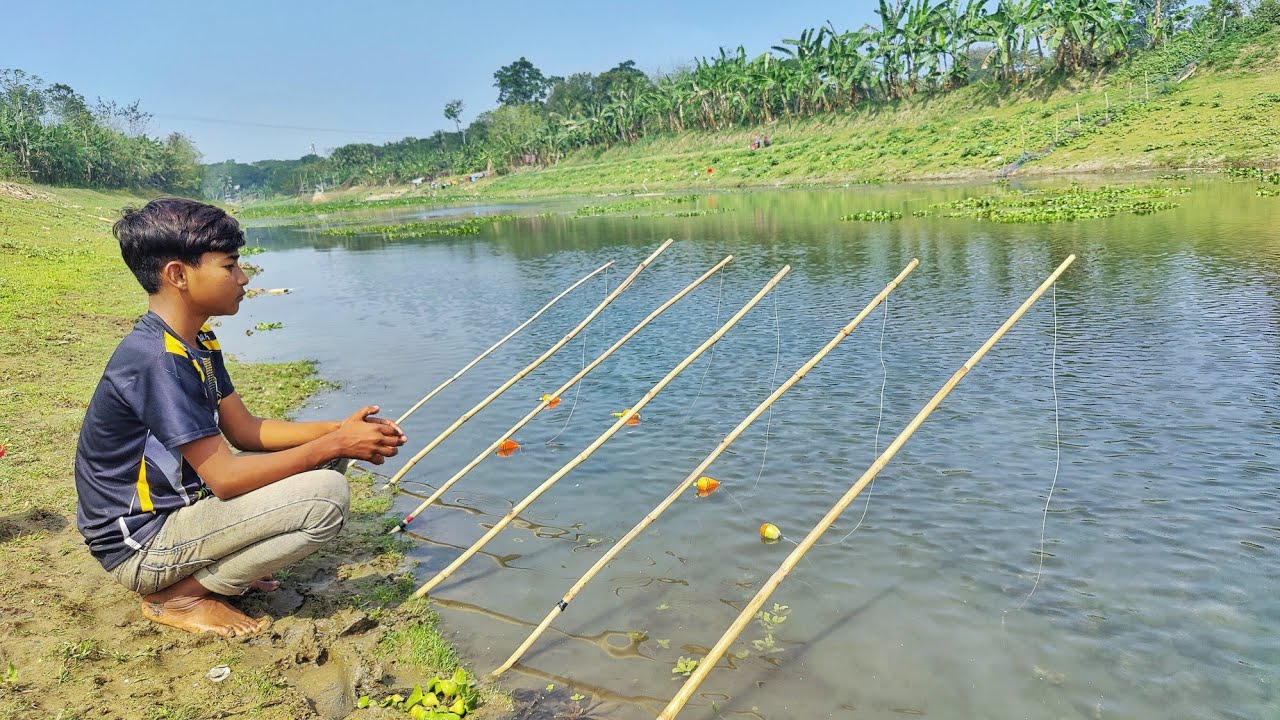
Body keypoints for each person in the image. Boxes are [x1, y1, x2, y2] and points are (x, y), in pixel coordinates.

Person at [74, 197, 408, 638]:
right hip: (143, 544)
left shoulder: (199, 341)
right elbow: (227, 480)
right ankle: (178, 597)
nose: (243, 277)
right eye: (229, 266)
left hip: (181, 515)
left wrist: (340, 431)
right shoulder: (157, 359)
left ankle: (225, 568)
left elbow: (245, 430)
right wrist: (335, 442)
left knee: (326, 457)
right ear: (178, 275)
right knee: (326, 497)